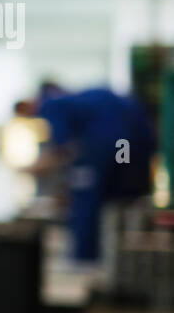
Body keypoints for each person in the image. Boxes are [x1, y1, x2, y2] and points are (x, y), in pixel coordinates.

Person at [14, 82, 154, 261]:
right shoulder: (85, 98)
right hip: (137, 147)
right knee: (123, 204)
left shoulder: (51, 104)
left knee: (85, 202)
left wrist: (32, 168)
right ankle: (127, 260)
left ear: (26, 108)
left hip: (105, 146)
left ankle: (84, 260)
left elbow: (60, 148)